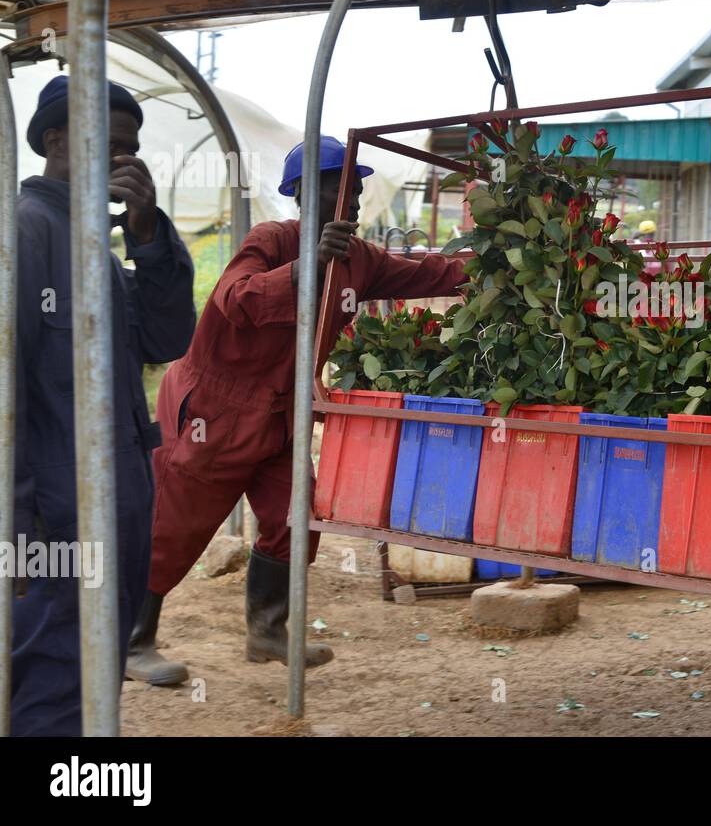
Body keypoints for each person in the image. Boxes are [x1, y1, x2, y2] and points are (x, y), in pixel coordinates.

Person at [126, 136, 468, 684]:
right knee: (172, 527)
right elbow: (234, 298)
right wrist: (306, 264)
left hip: (281, 413)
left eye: (357, 187)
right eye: (339, 187)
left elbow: (426, 273)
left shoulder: (360, 259)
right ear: (305, 194)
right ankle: (131, 641)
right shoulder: (271, 240)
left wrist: (485, 265)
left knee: (296, 517)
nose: (352, 198)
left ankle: (267, 630)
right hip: (213, 409)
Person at [10, 75, 196, 735]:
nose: (125, 161)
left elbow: (169, 337)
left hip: (118, 502)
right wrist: (17, 524)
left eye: (132, 148)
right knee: (55, 682)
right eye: (108, 145)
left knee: (94, 673)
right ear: (57, 142)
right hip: (57, 518)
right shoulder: (27, 233)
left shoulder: (100, 248)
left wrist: (147, 234)